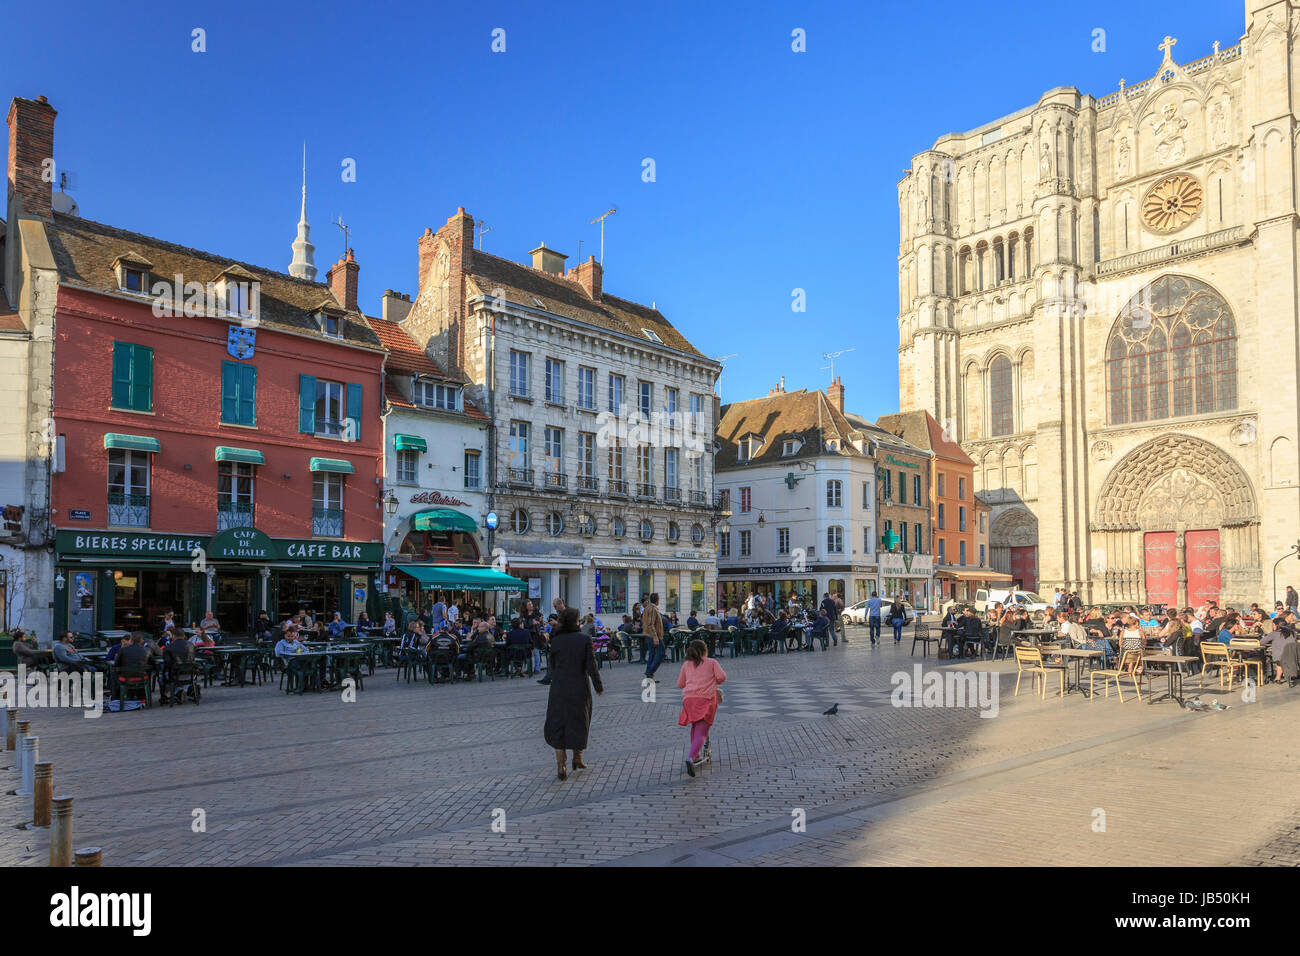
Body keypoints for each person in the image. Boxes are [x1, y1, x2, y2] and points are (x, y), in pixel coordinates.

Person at [543, 607, 603, 780]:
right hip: (578, 685)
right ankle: (577, 758)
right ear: (576, 621)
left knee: (558, 721)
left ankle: (561, 763)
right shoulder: (584, 639)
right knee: (580, 720)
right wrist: (598, 685)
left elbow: (552, 664)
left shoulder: (556, 640)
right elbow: (591, 665)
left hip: (559, 685)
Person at [677, 638, 727, 777]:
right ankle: (691, 758)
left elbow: (680, 684)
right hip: (705, 700)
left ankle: (696, 754)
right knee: (702, 731)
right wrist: (712, 680)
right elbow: (722, 677)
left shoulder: (686, 664)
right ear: (705, 651)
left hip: (688, 700)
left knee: (695, 727)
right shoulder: (711, 662)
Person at [642, 592, 666, 682]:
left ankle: (649, 677)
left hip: (648, 635)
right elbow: (650, 623)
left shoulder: (647, 608)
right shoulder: (652, 609)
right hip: (654, 635)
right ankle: (649, 671)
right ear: (657, 600)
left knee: (652, 655)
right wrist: (655, 636)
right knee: (661, 653)